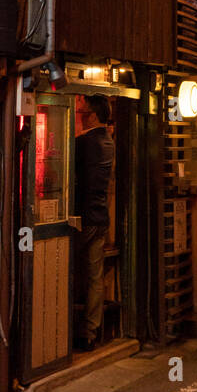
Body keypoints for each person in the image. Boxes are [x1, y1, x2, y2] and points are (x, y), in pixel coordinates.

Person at [74, 94, 115, 351]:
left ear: (94, 115)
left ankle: (62, 330)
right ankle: (90, 332)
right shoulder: (108, 141)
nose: (82, 115)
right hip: (101, 217)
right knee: (94, 277)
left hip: (82, 220)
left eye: (84, 112)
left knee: (66, 268)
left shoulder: (85, 142)